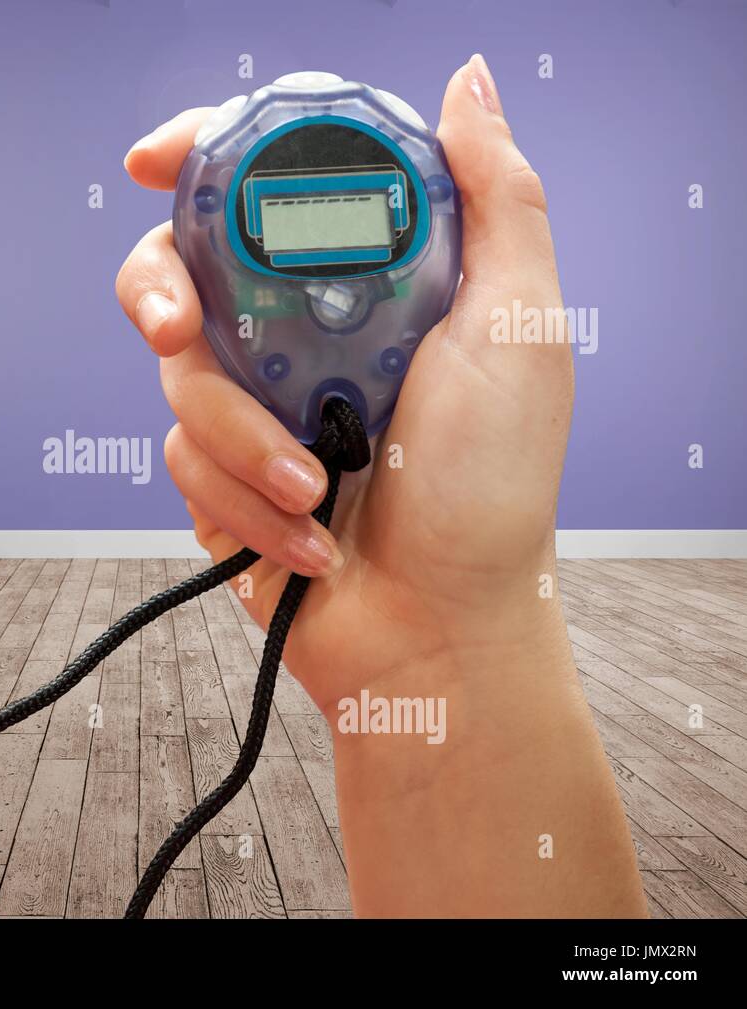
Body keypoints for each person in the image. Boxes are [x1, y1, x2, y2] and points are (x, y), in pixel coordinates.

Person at [115, 55, 647, 917]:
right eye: (290, 222)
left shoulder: (247, 188)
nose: (331, 304)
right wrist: (426, 672)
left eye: (350, 215)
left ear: (413, 209)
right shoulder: (366, 178)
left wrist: (463, 643)